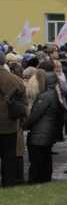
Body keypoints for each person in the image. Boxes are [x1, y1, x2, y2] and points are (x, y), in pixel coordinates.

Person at [22, 73, 65, 184]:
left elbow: (35, 114)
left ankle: (34, 180)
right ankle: (45, 179)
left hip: (41, 131)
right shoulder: (54, 94)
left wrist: (23, 124)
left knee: (37, 158)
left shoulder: (45, 96)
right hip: (48, 131)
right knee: (45, 157)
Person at [0, 59, 27, 187]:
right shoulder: (15, 79)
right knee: (9, 153)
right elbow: (24, 102)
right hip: (10, 123)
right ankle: (8, 182)